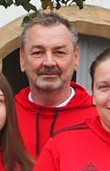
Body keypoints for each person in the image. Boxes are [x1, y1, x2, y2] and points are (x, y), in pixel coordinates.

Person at [10, 11, 92, 158]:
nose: (49, 62)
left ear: (76, 57)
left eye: (59, 52)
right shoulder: (5, 117)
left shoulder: (100, 118)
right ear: (22, 59)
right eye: (38, 53)